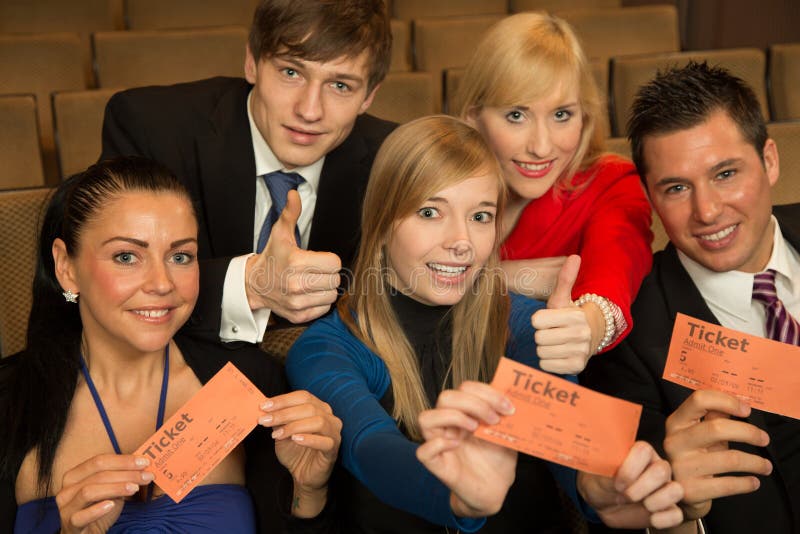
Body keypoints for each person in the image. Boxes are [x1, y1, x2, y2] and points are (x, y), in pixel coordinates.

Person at [286, 116, 682, 533]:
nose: (461, 241)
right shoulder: (326, 348)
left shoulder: (524, 322)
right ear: (382, 223)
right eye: (430, 212)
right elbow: (371, 447)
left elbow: (568, 442)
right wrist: (458, 496)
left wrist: (603, 486)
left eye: (480, 216)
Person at [0, 157, 341, 532]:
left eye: (181, 256)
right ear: (66, 267)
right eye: (127, 256)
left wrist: (309, 490)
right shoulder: (9, 404)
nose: (162, 283)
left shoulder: (251, 381)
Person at [581, 62, 800, 533]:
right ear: (650, 197)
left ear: (770, 161)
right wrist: (674, 508)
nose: (707, 211)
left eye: (725, 174)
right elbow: (619, 507)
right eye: (677, 188)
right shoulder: (630, 337)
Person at [100, 0, 395, 343]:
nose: (310, 111)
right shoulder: (152, 127)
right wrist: (249, 284)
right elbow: (106, 278)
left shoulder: (393, 159)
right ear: (252, 63)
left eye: (340, 85)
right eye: (291, 72)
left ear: (369, 97)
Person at [457, 12, 653, 372]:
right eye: (517, 115)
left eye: (562, 115)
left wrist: (590, 326)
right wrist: (501, 275)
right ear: (474, 117)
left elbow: (615, 271)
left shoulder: (611, 181)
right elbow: (386, 282)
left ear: (585, 118)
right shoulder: (440, 181)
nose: (542, 147)